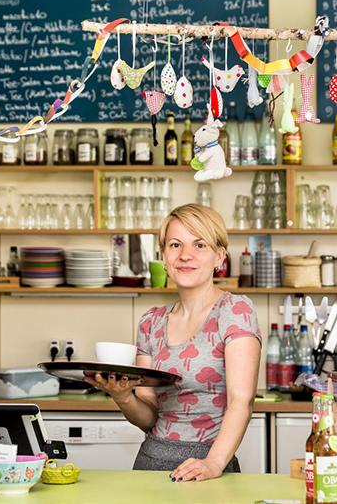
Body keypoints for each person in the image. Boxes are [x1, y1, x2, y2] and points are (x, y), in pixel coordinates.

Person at [84, 204, 261, 482]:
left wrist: (213, 463)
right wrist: (123, 396)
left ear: (219, 256)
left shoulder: (235, 311)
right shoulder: (151, 321)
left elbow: (243, 400)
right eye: (175, 245)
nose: (185, 255)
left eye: (199, 245)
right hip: (150, 464)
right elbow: (149, 417)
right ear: (163, 256)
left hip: (210, 468)